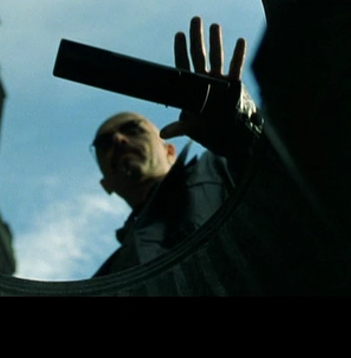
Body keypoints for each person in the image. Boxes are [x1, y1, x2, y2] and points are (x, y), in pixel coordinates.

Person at [92, 16, 264, 277]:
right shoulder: (112, 276)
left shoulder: (224, 170)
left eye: (133, 128)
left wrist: (241, 128)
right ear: (106, 185)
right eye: (104, 143)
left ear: (170, 150)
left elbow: (294, 173)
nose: (118, 140)